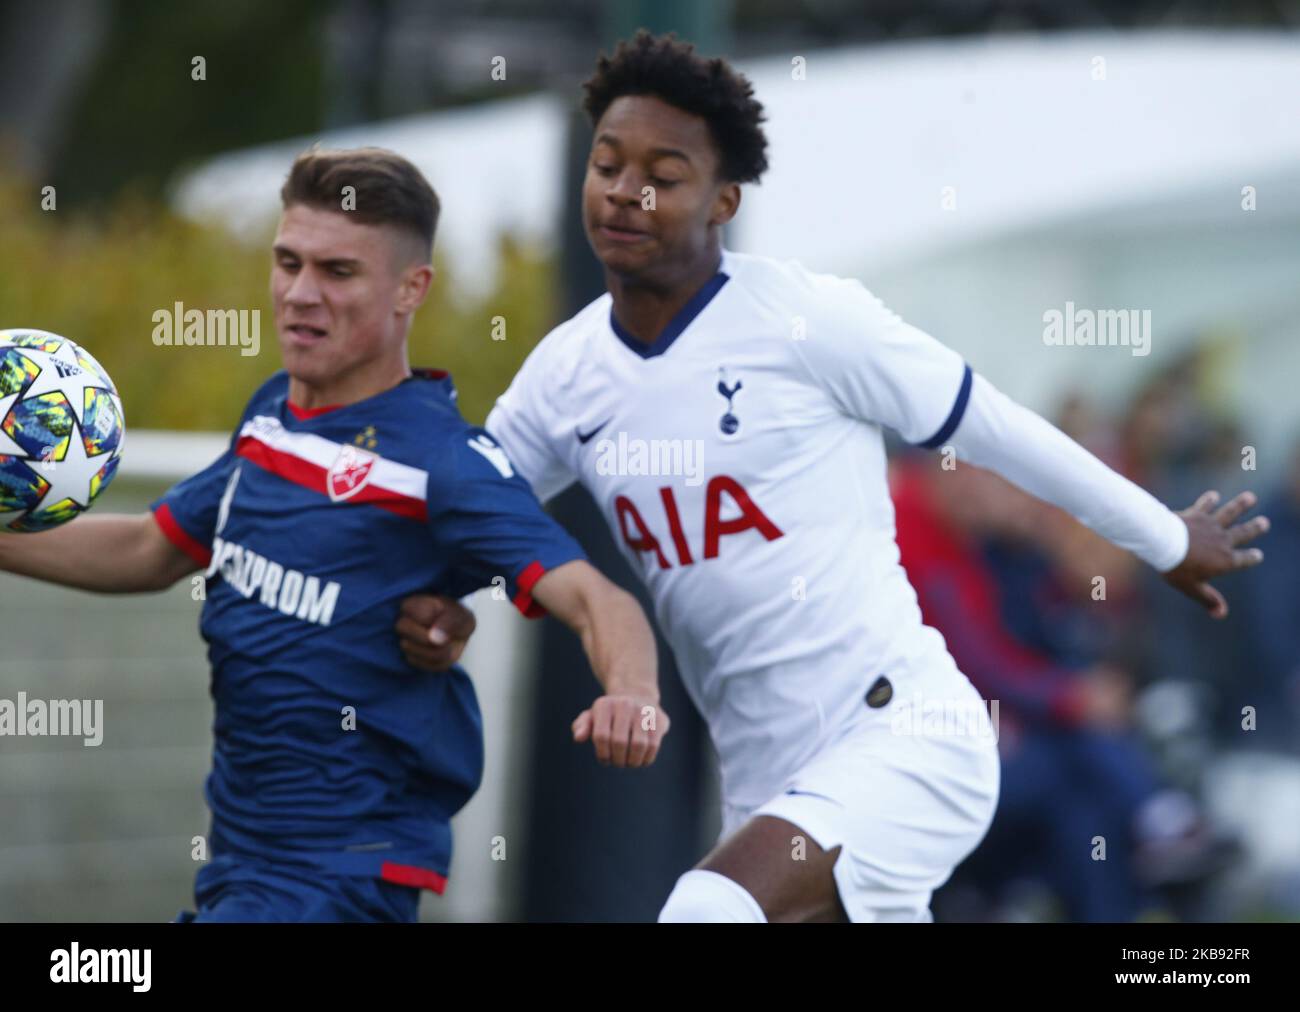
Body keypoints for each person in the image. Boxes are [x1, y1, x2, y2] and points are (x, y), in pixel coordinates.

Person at [400, 31, 1267, 923]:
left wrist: (1164, 536)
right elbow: (478, 518)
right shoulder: (563, 374)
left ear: (722, 201)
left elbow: (998, 427)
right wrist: (438, 603)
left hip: (902, 739)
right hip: (770, 790)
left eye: (664, 173)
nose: (626, 191)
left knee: (702, 913)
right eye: (608, 165)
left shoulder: (808, 321)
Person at [0, 146, 667, 923]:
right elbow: (152, 548)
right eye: (288, 262)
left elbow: (594, 596)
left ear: (411, 289)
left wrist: (634, 694)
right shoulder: (274, 414)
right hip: (242, 866)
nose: (300, 294)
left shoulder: (444, 463)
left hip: (340, 878)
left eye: (338, 272)